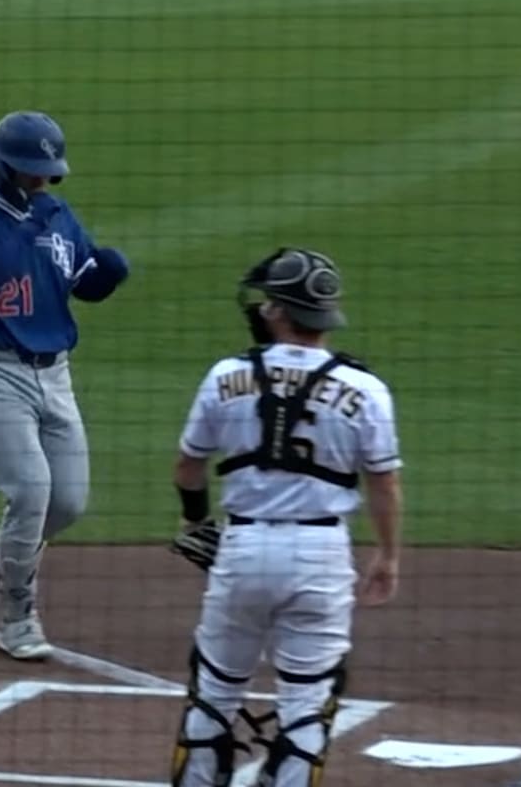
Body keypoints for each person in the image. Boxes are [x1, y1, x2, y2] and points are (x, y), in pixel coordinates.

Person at [167, 247, 405, 787]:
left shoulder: (226, 374)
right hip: (321, 558)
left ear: (278, 310)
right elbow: (384, 481)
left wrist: (195, 522)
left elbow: (188, 465)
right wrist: (388, 555)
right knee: (307, 702)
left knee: (215, 690)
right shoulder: (367, 389)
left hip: (242, 550)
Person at [0, 111, 131, 661]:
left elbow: (82, 284)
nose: (40, 182)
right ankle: (19, 611)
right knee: (29, 492)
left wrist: (107, 273)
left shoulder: (56, 213)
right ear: (2, 166)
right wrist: (27, 228)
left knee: (67, 503)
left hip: (55, 374)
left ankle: (0, 554)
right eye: (30, 172)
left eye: (46, 172)